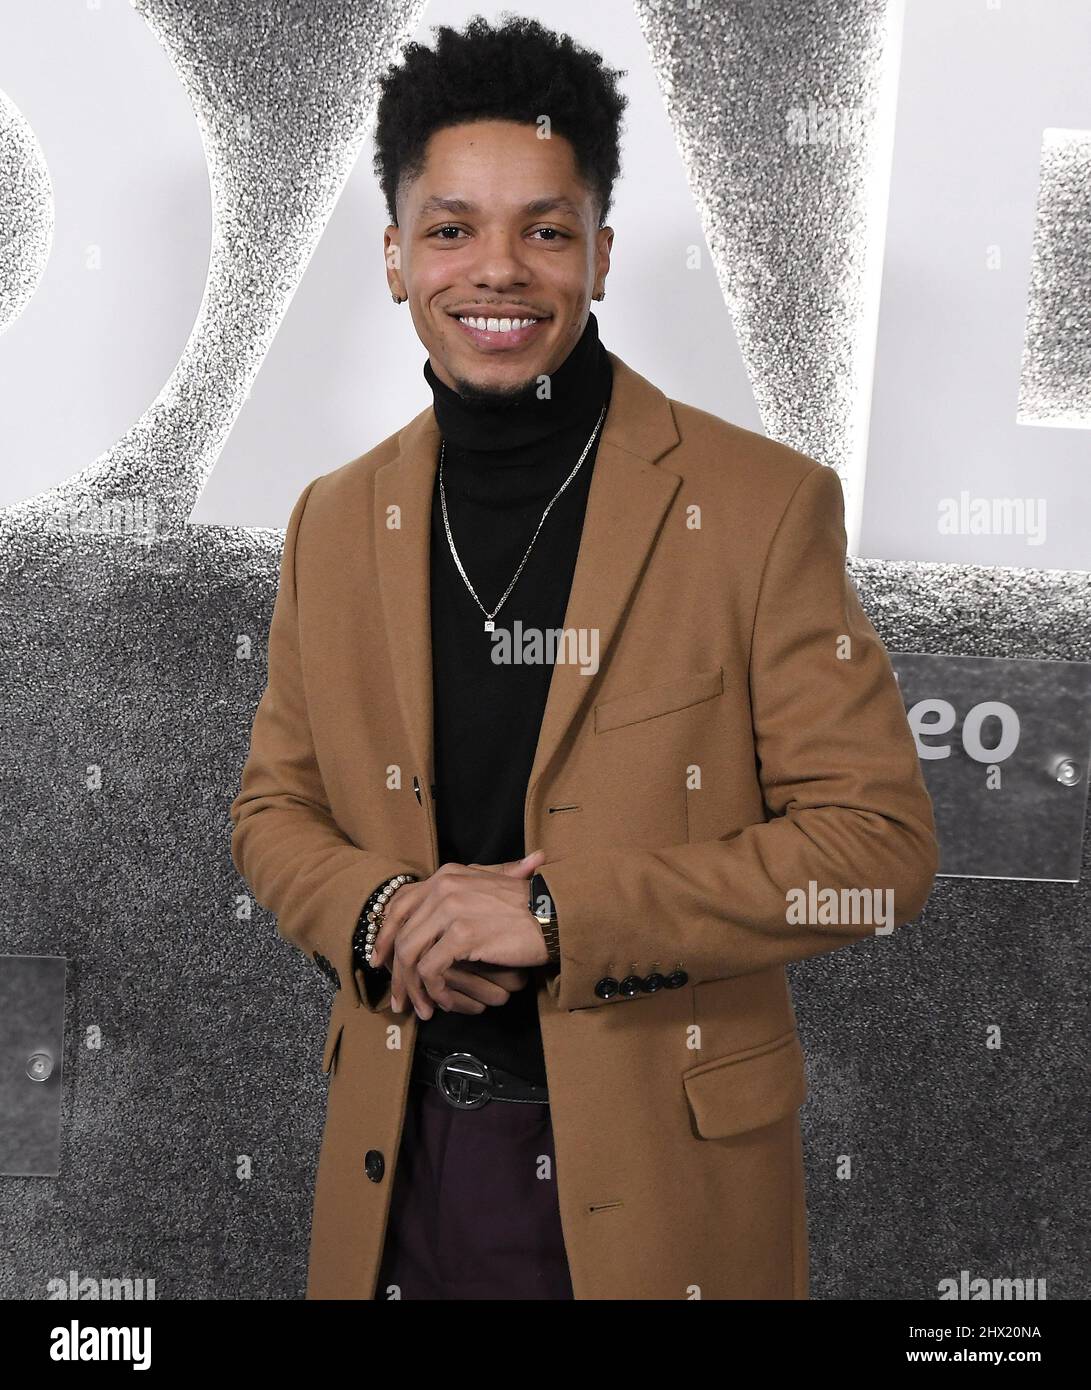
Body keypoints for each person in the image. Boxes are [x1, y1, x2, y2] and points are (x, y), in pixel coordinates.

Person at [229, 14, 939, 1301]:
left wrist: (557, 914)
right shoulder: (332, 519)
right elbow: (275, 810)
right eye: (450, 229)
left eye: (543, 230)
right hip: (397, 1158)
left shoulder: (762, 505)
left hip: (656, 1186)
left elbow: (875, 850)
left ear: (599, 254)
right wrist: (384, 912)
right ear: (394, 257)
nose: (494, 270)